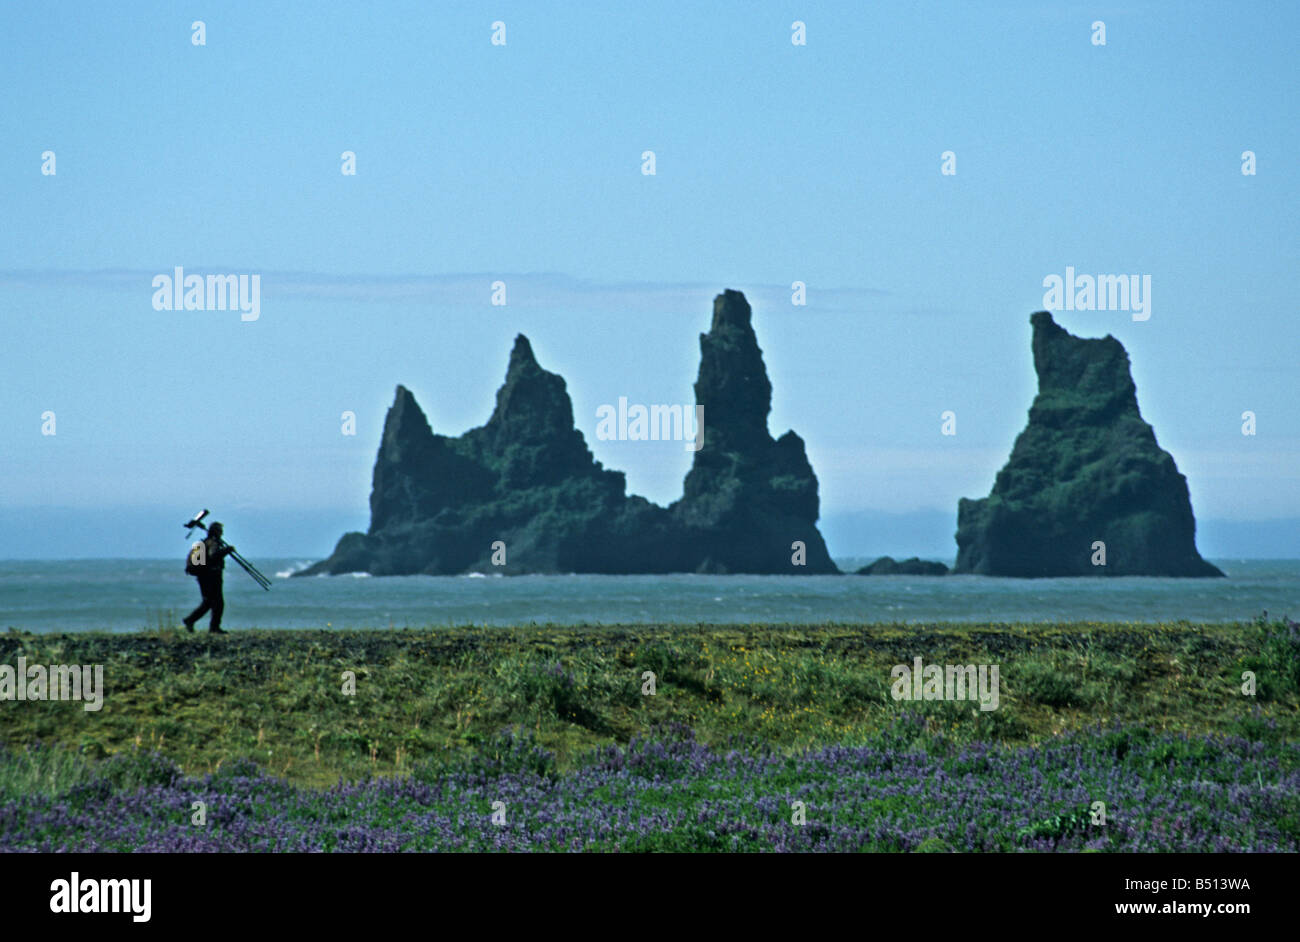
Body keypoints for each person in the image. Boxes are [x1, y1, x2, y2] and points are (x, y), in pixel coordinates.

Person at [183, 522, 235, 633]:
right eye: (220, 531)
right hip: (211, 576)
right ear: (217, 532)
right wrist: (226, 551)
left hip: (203, 576)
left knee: (208, 602)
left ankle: (191, 620)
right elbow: (213, 555)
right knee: (218, 603)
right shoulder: (213, 543)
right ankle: (213, 627)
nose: (222, 533)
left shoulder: (205, 542)